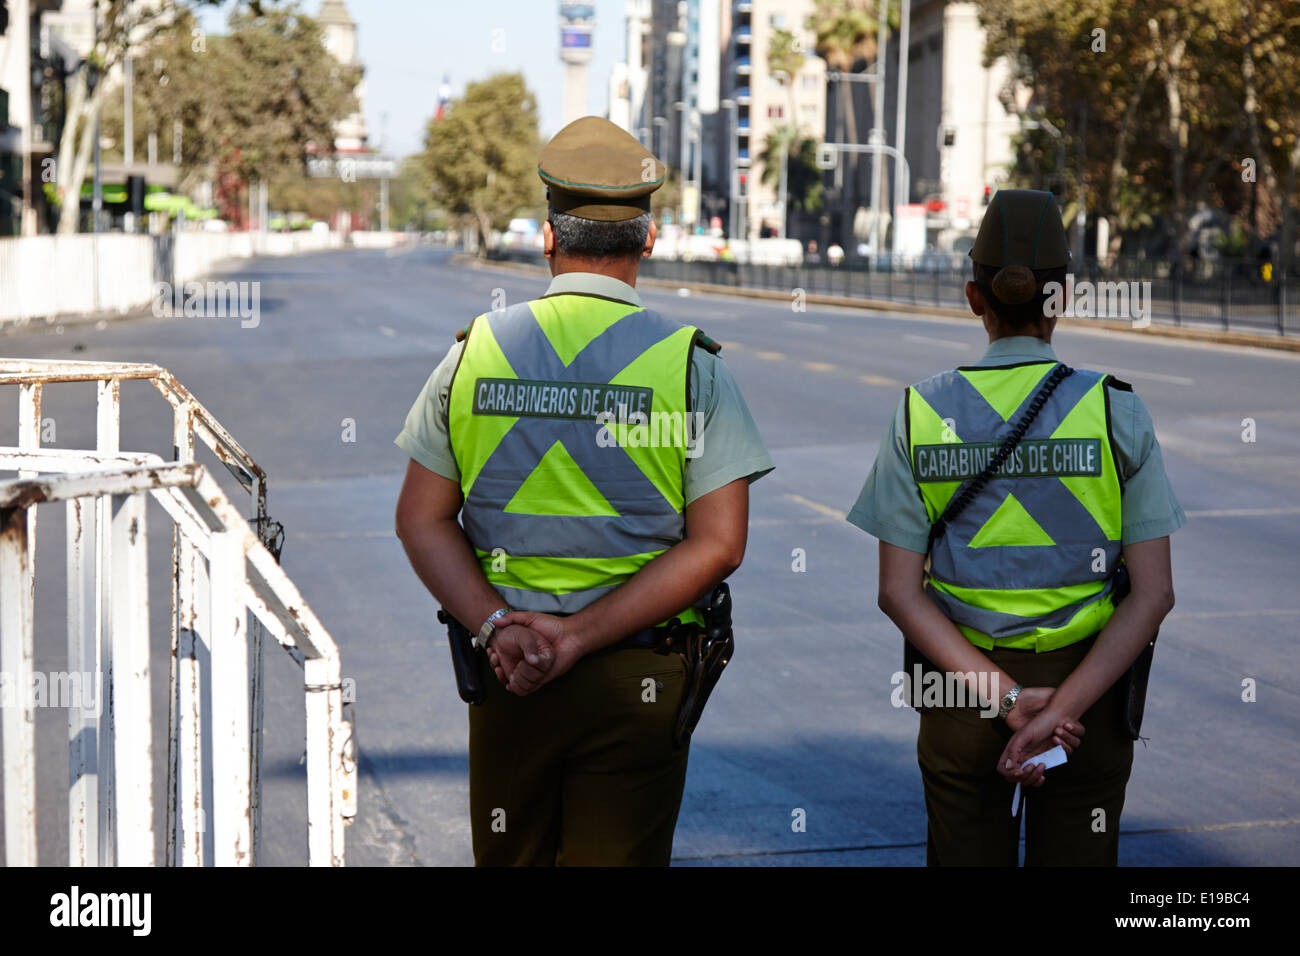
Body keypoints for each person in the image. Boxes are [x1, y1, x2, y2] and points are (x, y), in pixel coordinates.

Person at [393, 116, 773, 866]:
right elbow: (720, 544)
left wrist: (503, 627)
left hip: (510, 675)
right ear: (650, 238)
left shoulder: (473, 354)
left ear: (546, 235)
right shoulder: (691, 366)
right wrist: (579, 638)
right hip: (638, 679)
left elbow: (421, 521)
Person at [847, 189, 1184, 866]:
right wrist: (1061, 711)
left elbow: (898, 591)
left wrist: (1007, 703)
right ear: (1062, 298)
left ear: (974, 297)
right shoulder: (1115, 409)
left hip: (960, 690)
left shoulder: (920, 412)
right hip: (1088, 699)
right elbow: (1153, 595)